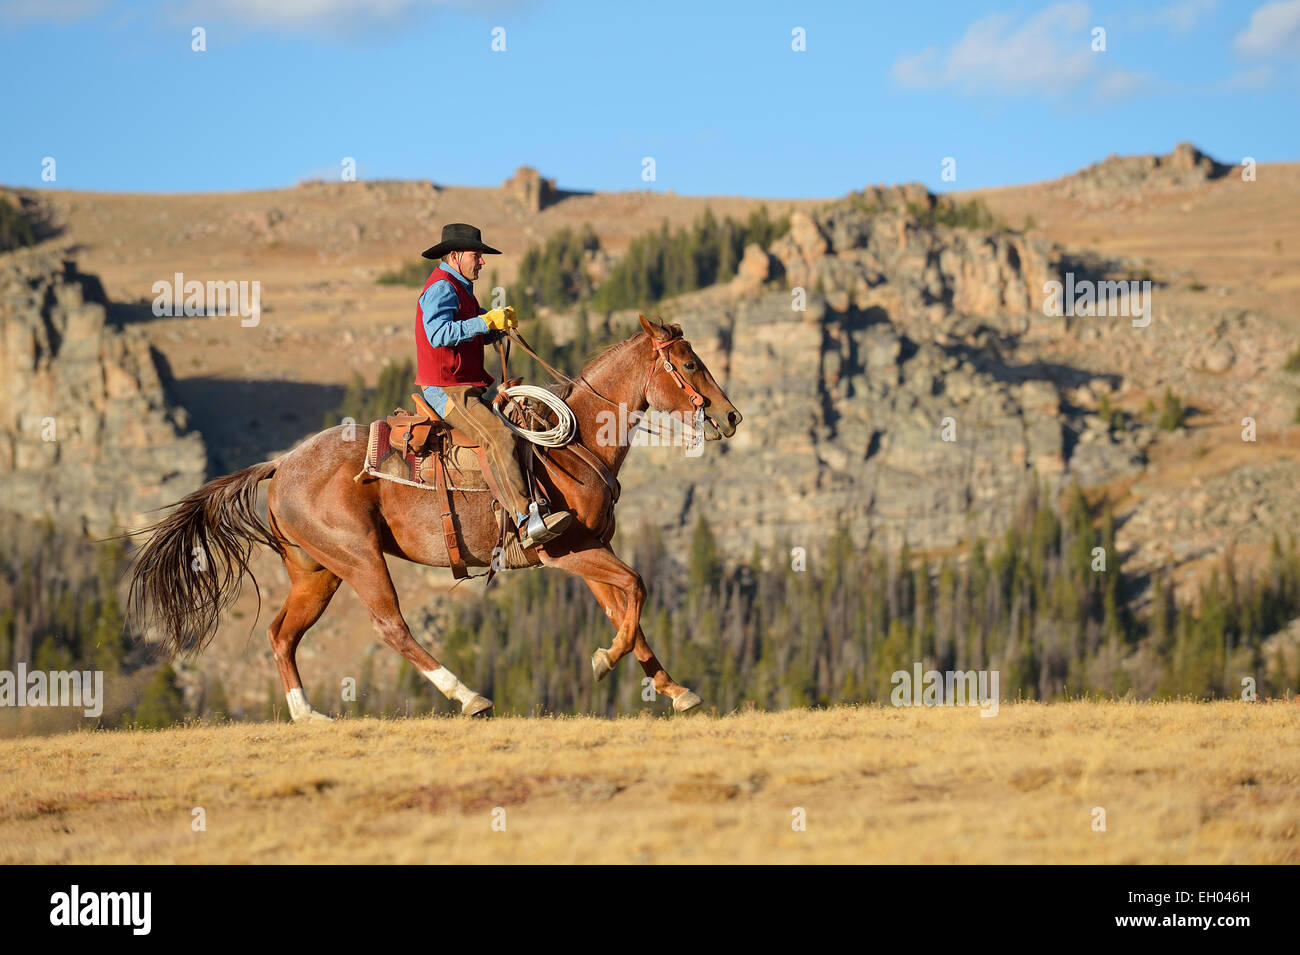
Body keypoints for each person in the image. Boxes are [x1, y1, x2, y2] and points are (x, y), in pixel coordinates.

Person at [414, 223, 572, 549]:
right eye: (477, 255)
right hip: (447, 390)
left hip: (463, 386)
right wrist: (485, 322)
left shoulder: (460, 288)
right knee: (499, 436)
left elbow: (464, 330)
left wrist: (493, 326)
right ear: (455, 256)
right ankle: (526, 520)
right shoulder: (442, 288)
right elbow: (438, 334)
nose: (482, 262)